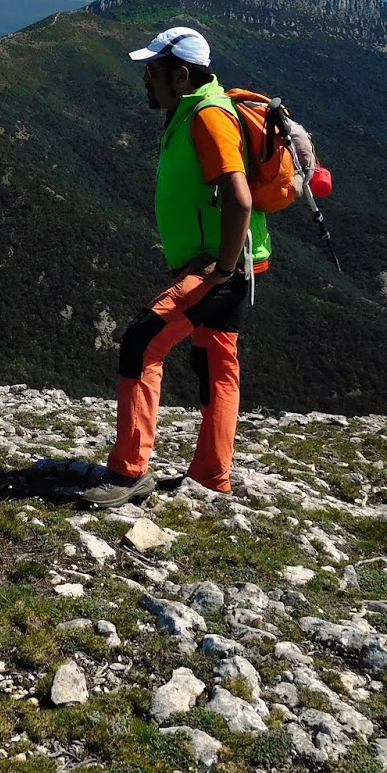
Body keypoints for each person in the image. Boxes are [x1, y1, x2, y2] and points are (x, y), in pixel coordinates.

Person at [76, 26, 271, 508]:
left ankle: (128, 473)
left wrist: (221, 269)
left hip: (219, 265)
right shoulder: (196, 108)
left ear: (181, 75)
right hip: (239, 261)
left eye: (153, 71)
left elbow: (240, 199)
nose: (146, 80)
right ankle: (211, 476)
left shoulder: (207, 117)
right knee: (216, 365)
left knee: (143, 342)